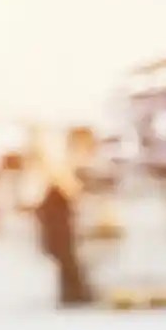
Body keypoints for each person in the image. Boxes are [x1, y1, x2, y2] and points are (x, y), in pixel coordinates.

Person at [30, 125, 97, 306]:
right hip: (55, 214)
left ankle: (75, 293)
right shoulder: (62, 162)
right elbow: (67, 185)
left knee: (68, 257)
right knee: (66, 256)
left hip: (59, 215)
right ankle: (75, 294)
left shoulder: (65, 161)